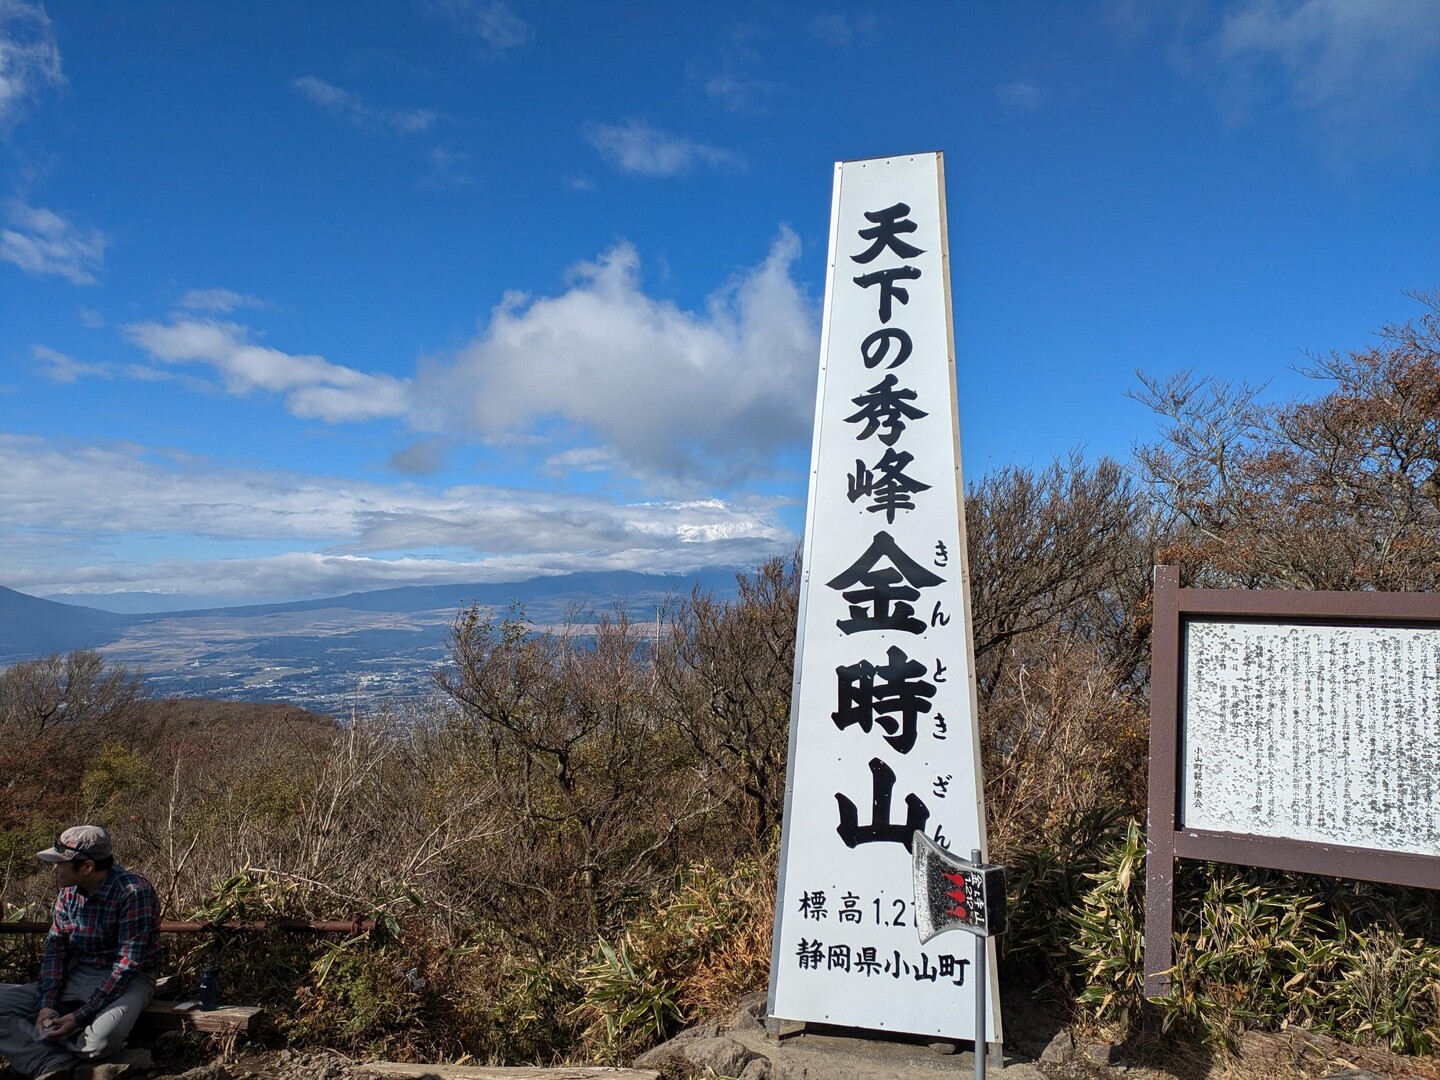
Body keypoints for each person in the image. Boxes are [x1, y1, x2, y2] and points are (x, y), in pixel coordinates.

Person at [0, 826, 159, 1080]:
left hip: (129, 979)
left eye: (60, 863)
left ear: (86, 867)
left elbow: (128, 964)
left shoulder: (134, 892)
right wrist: (47, 1006)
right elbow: (56, 951)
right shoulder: (68, 892)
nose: (54, 869)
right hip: (80, 972)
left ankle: (37, 1037)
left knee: (99, 1043)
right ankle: (50, 1060)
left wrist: (78, 1017)